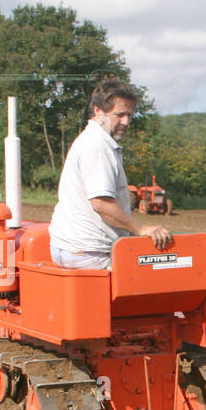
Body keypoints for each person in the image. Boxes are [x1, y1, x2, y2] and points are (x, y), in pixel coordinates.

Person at [50, 80, 170, 269]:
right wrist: (142, 229)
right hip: (88, 252)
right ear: (98, 111)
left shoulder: (95, 140)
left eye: (129, 115)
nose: (126, 122)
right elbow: (102, 204)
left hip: (73, 248)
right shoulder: (97, 145)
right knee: (154, 272)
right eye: (120, 115)